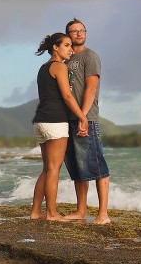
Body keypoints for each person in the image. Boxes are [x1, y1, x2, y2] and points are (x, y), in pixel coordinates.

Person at [30, 33, 88, 221]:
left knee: (47, 168)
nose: (70, 49)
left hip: (40, 121)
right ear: (55, 47)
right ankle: (52, 213)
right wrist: (82, 117)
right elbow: (67, 96)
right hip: (55, 122)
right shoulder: (59, 67)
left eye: (71, 46)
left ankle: (35, 212)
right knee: (54, 169)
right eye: (66, 45)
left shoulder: (43, 67)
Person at [63, 18, 111, 224]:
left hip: (87, 119)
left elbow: (91, 89)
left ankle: (103, 214)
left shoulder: (90, 57)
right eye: (74, 31)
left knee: (97, 165)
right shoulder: (65, 61)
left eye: (82, 30)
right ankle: (80, 211)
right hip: (69, 119)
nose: (79, 34)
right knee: (77, 168)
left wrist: (83, 117)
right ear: (68, 35)